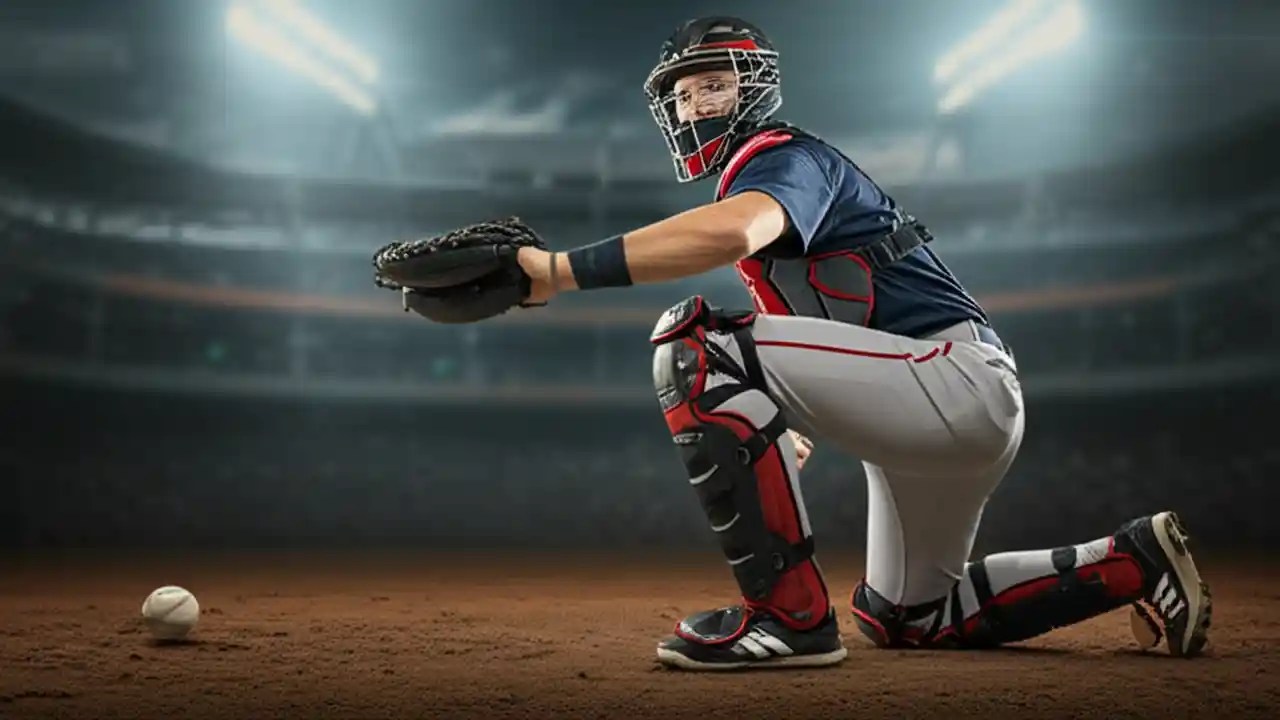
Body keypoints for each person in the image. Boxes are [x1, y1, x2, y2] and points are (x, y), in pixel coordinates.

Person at [513, 16, 1211, 670]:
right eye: (686, 94)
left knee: (698, 342)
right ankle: (1131, 561)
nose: (696, 106)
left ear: (754, 88)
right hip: (936, 401)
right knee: (909, 616)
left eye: (715, 84)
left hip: (953, 378)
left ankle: (786, 619)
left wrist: (558, 271)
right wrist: (778, 424)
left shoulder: (783, 155)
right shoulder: (767, 204)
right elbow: (805, 340)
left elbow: (729, 232)